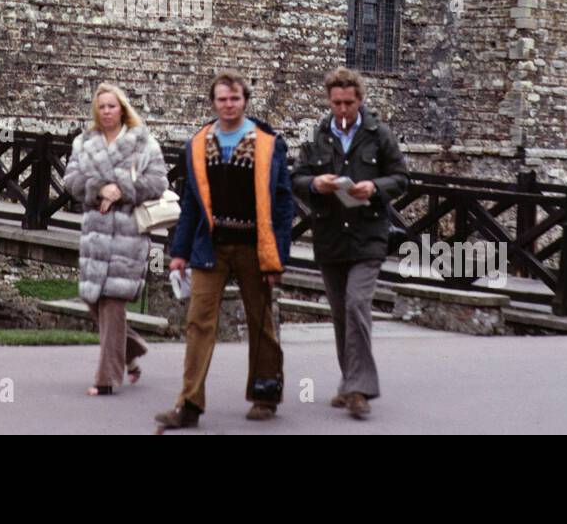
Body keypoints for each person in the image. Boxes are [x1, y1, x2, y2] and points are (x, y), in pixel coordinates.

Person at [154, 70, 296, 430]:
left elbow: (282, 204)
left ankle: (264, 393)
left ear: (245, 100)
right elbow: (190, 202)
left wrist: (277, 257)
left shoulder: (268, 142)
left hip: (254, 245)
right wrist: (179, 252)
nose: (228, 105)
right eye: (222, 99)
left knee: (260, 320)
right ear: (213, 102)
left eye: (234, 99)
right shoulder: (199, 143)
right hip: (210, 246)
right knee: (198, 322)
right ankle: (188, 404)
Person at [292, 67, 408, 419]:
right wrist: (317, 184)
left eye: (348, 103)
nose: (342, 109)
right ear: (329, 101)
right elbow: (296, 178)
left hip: (368, 235)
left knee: (357, 304)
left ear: (360, 100)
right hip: (330, 237)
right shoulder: (318, 137)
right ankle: (348, 381)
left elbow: (402, 178)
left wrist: (375, 188)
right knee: (342, 314)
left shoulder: (379, 135)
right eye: (336, 103)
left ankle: (359, 389)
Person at [62, 83, 168, 396]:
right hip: (95, 233)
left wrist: (121, 188)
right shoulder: (84, 143)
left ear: (122, 108)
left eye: (112, 105)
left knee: (113, 304)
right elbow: (71, 180)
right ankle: (132, 349)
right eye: (102, 106)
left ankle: (106, 379)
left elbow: (159, 181)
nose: (107, 111)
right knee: (92, 298)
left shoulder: (143, 142)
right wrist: (98, 189)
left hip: (127, 234)